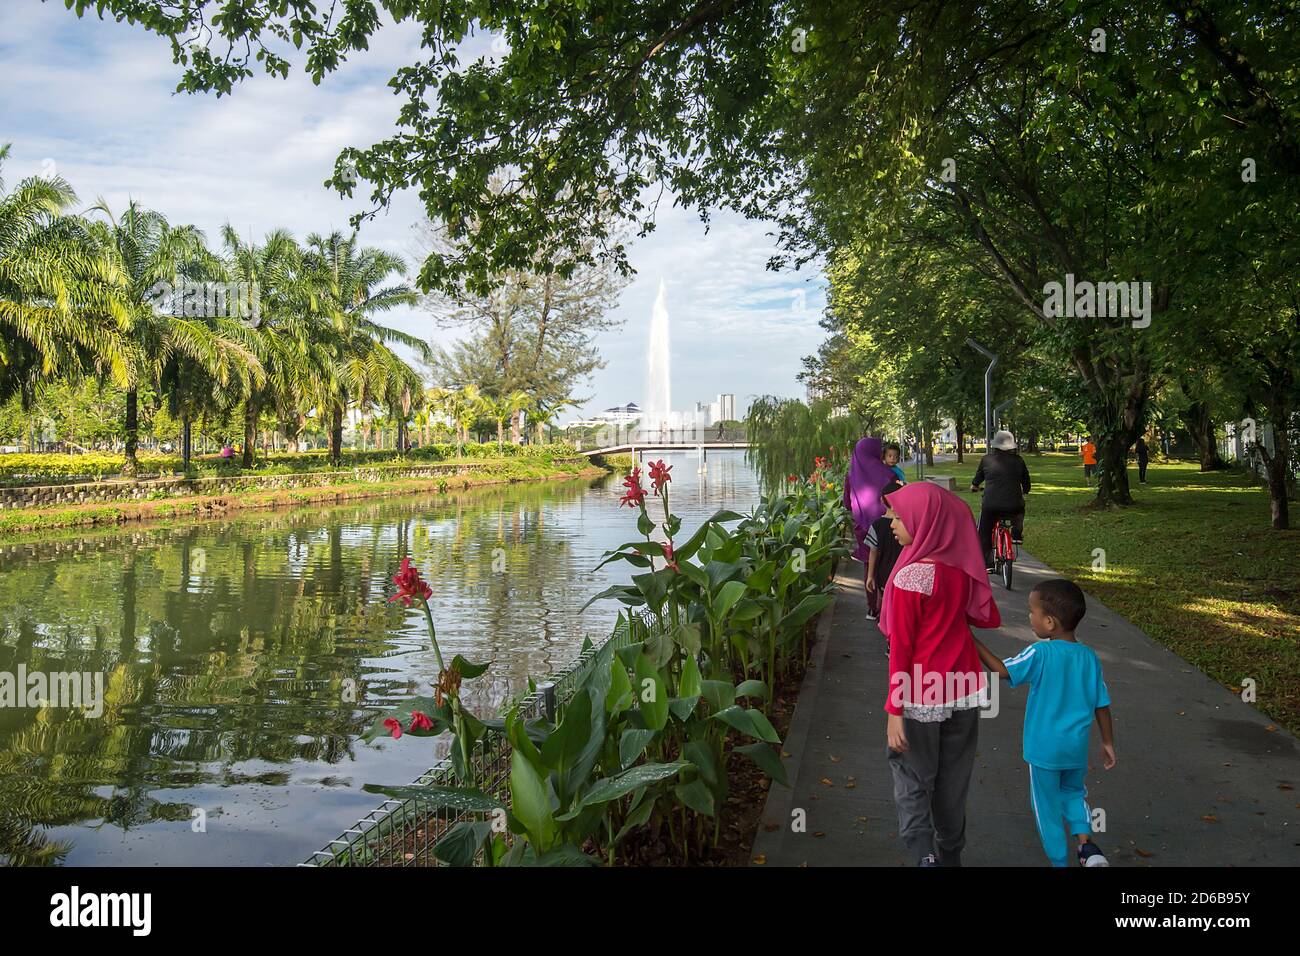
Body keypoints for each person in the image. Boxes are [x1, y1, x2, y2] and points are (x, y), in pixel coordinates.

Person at [879, 481, 1002, 867]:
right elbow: (962, 626)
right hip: (963, 688)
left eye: (899, 517)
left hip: (919, 693)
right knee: (953, 780)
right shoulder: (960, 571)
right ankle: (950, 855)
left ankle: (923, 855)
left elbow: (901, 649)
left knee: (913, 778)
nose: (891, 523)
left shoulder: (907, 579)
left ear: (925, 521)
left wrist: (893, 711)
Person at [971, 578, 1115, 867]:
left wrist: (970, 638)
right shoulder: (1089, 657)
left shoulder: (1040, 653)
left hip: (1044, 750)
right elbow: (1101, 703)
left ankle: (1060, 861)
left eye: (1032, 612)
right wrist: (1108, 742)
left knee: (1046, 807)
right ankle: (1087, 846)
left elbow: (1002, 670)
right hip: (1075, 749)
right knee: (1074, 793)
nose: (1029, 617)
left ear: (1049, 622)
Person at [844, 437, 898, 619]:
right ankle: (888, 606)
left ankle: (871, 608)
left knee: (869, 564)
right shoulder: (890, 474)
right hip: (889, 525)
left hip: (863, 527)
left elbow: (846, 503)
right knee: (891, 562)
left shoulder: (851, 475)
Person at [970, 430, 1030, 572]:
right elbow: (1026, 481)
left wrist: (974, 487)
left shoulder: (986, 459)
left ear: (995, 445)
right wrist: (1025, 491)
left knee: (984, 532)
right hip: (1013, 503)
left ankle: (988, 564)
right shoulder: (1019, 460)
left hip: (991, 504)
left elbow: (977, 479)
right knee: (1020, 509)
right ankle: (1016, 534)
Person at [864, 479, 904, 621]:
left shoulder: (877, 525)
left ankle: (889, 632)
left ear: (882, 500)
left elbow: (873, 552)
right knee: (901, 607)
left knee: (887, 604)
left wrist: (870, 576)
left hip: (884, 573)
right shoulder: (908, 522)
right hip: (904, 572)